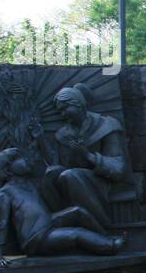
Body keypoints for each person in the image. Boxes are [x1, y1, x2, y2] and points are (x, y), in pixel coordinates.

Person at [0, 148, 124, 268]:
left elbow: (48, 164)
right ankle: (111, 246)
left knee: (78, 212)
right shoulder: (5, 193)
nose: (25, 160)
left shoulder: (29, 184)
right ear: (7, 170)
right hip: (36, 239)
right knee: (76, 234)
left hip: (49, 223)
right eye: (18, 159)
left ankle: (103, 237)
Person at [47, 82, 131, 230]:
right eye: (60, 111)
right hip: (74, 179)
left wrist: (87, 155)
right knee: (51, 174)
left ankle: (102, 226)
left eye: (65, 109)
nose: (63, 114)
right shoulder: (63, 134)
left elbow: (118, 169)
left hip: (103, 180)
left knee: (70, 176)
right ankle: (51, 225)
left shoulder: (106, 125)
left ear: (79, 104)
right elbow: (60, 166)